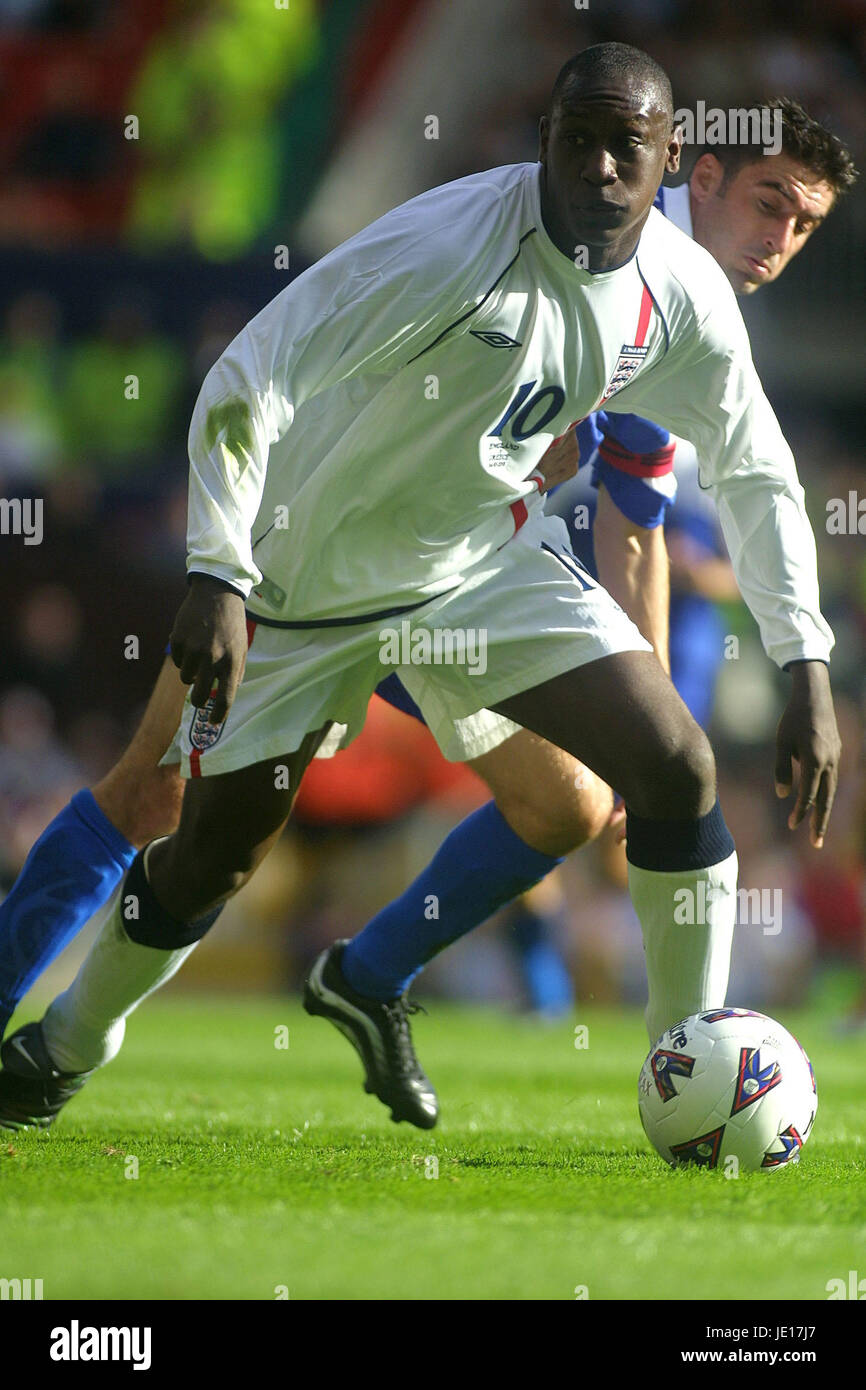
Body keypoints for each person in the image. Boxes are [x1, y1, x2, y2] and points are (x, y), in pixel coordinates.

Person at [0, 47, 841, 1137]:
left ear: (665, 158)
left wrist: (803, 664)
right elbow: (251, 370)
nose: (592, 166)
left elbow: (760, 475)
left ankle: (685, 1077)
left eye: (619, 147)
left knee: (668, 764)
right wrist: (216, 570)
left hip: (472, 569)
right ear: (541, 139)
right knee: (203, 845)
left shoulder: (677, 297)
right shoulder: (448, 246)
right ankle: (63, 1048)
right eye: (572, 138)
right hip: (306, 576)